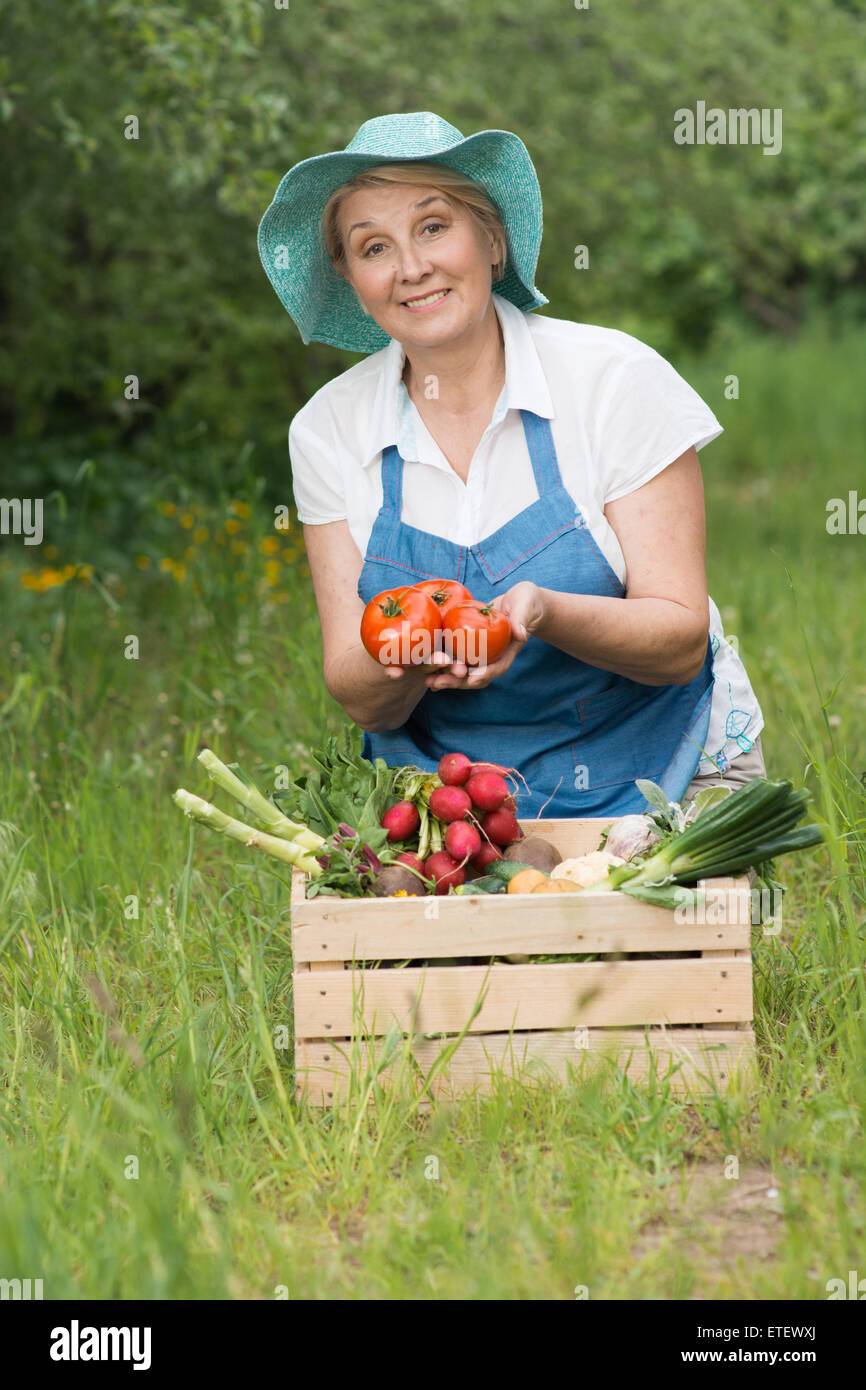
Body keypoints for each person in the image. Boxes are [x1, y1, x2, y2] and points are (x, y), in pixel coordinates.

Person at [258, 111, 765, 818]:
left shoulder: (613, 380)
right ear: (349, 277)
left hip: (657, 769)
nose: (411, 267)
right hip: (446, 804)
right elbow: (357, 691)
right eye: (373, 247)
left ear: (491, 238)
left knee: (660, 924)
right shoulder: (328, 430)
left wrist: (543, 612)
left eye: (434, 227)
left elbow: (679, 643)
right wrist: (408, 652)